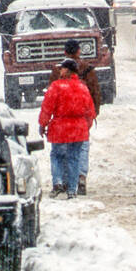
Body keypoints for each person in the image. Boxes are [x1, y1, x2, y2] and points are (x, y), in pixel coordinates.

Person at [38, 59, 95, 199]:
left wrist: (43, 124)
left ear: (67, 70)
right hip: (78, 128)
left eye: (62, 68)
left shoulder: (56, 87)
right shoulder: (82, 87)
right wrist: (85, 127)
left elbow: (47, 108)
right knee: (74, 158)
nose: (60, 70)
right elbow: (90, 112)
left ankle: (58, 183)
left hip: (60, 127)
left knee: (57, 155)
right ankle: (72, 189)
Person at [56, 39, 102, 195]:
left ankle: (66, 180)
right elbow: (95, 92)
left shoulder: (58, 70)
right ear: (79, 51)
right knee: (82, 147)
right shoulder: (88, 69)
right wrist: (94, 113)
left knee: (64, 148)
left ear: (64, 52)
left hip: (62, 117)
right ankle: (81, 176)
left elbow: (51, 93)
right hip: (82, 116)